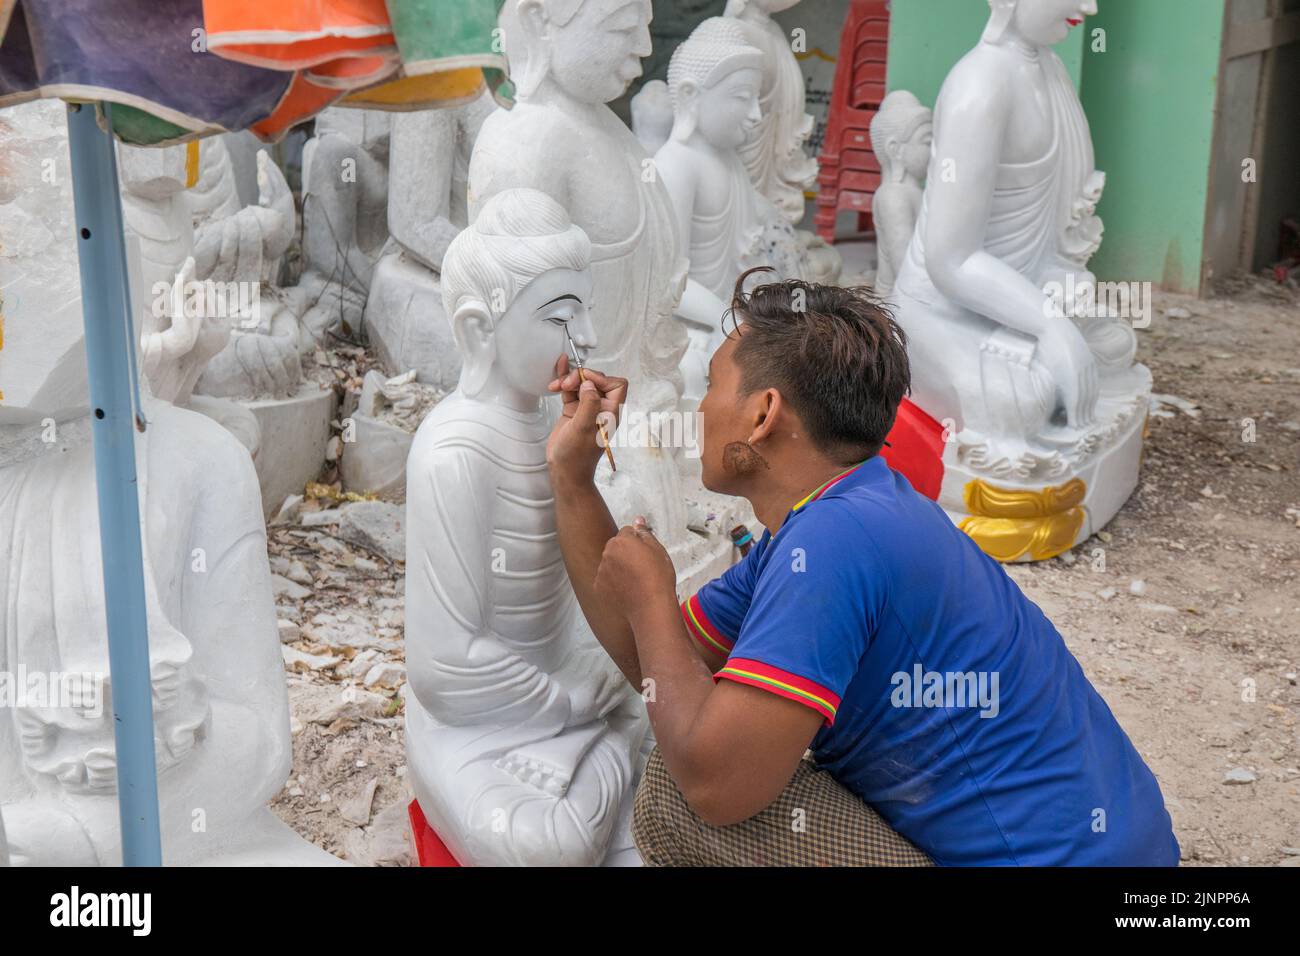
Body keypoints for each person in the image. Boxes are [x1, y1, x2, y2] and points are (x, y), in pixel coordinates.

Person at [544, 269, 1180, 866]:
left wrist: (652, 597)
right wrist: (574, 481)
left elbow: (716, 786)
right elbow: (657, 662)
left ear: (764, 415)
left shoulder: (834, 540)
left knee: (677, 798)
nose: (699, 407)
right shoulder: (838, 516)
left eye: (710, 385)